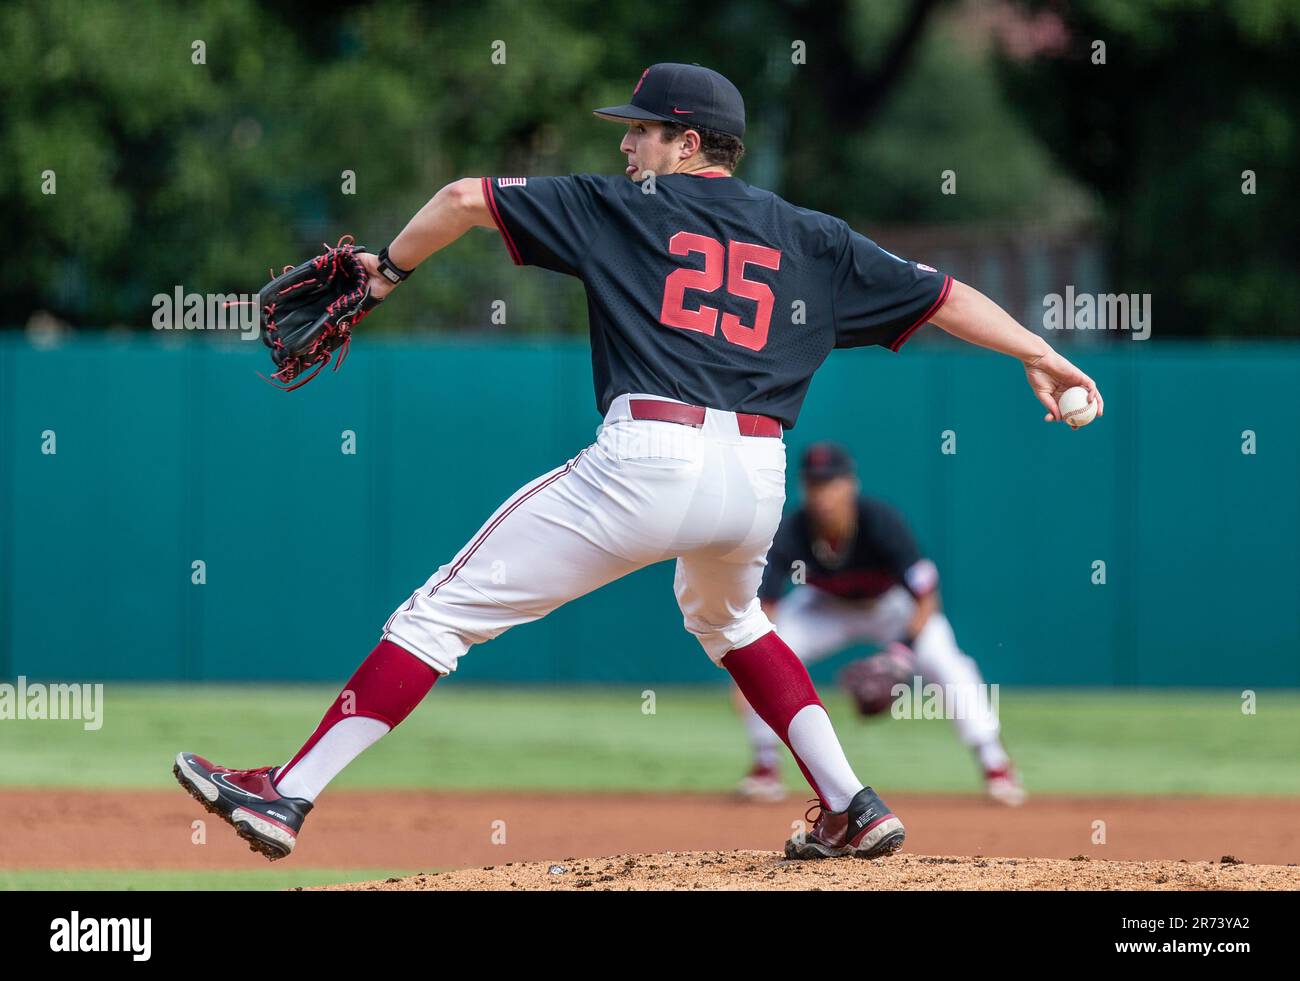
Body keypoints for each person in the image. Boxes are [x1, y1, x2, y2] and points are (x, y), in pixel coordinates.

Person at [173, 63, 1100, 863]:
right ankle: (852, 805)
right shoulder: (812, 236)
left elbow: (462, 200)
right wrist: (1042, 354)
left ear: (688, 142)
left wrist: (383, 272)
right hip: (754, 477)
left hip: (646, 456)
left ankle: (285, 792)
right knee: (730, 617)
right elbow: (942, 296)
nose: (626, 147)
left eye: (642, 131)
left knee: (440, 615)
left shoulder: (625, 206)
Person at [735, 441, 1025, 806]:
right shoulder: (791, 530)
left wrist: (902, 654)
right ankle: (765, 767)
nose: (823, 493)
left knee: (946, 662)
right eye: (814, 484)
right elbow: (768, 608)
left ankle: (995, 763)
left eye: (831, 482)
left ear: (850, 485)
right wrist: (749, 662)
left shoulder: (881, 521)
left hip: (891, 607)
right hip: (824, 608)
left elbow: (926, 598)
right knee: (766, 657)